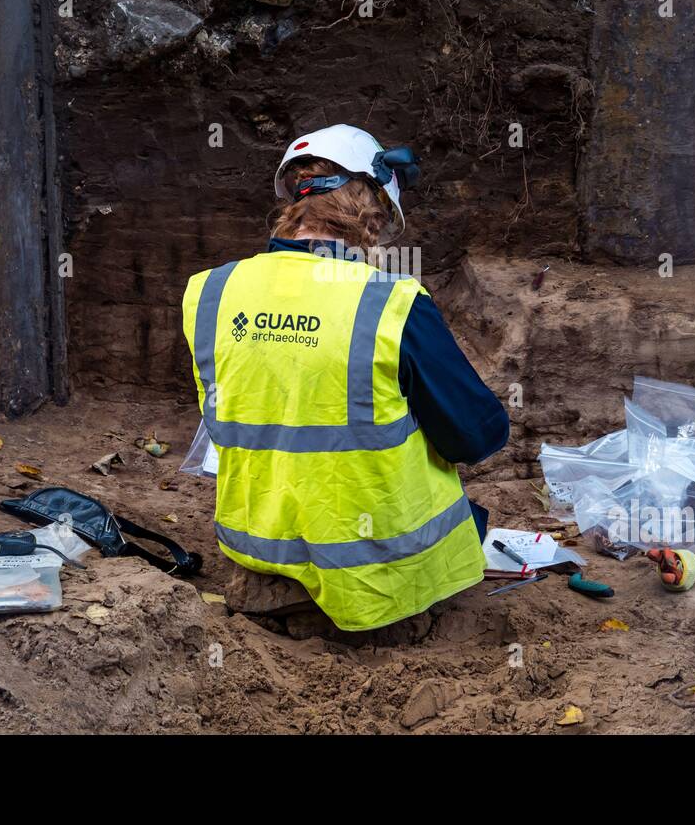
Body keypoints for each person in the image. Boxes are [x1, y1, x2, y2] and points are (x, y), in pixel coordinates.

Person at [181, 124, 509, 631]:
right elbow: (476, 437)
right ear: (372, 217)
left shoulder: (209, 293)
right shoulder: (390, 303)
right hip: (375, 570)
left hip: (255, 542)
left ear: (294, 205)